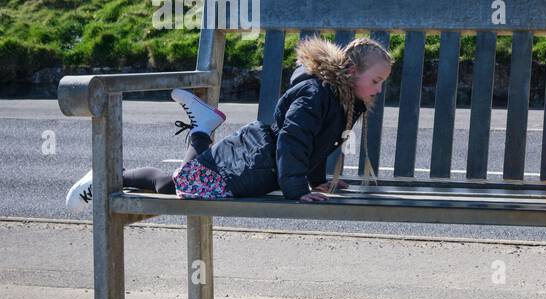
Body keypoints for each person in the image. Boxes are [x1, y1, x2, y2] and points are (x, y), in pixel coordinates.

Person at [66, 36, 392, 208]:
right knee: (175, 184)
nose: (378, 89)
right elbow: (294, 138)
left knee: (184, 180)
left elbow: (316, 143)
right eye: (375, 80)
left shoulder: (347, 100)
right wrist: (297, 190)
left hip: (261, 169)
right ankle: (109, 174)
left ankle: (202, 127)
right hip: (250, 162)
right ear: (349, 72)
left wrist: (316, 180)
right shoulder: (315, 94)